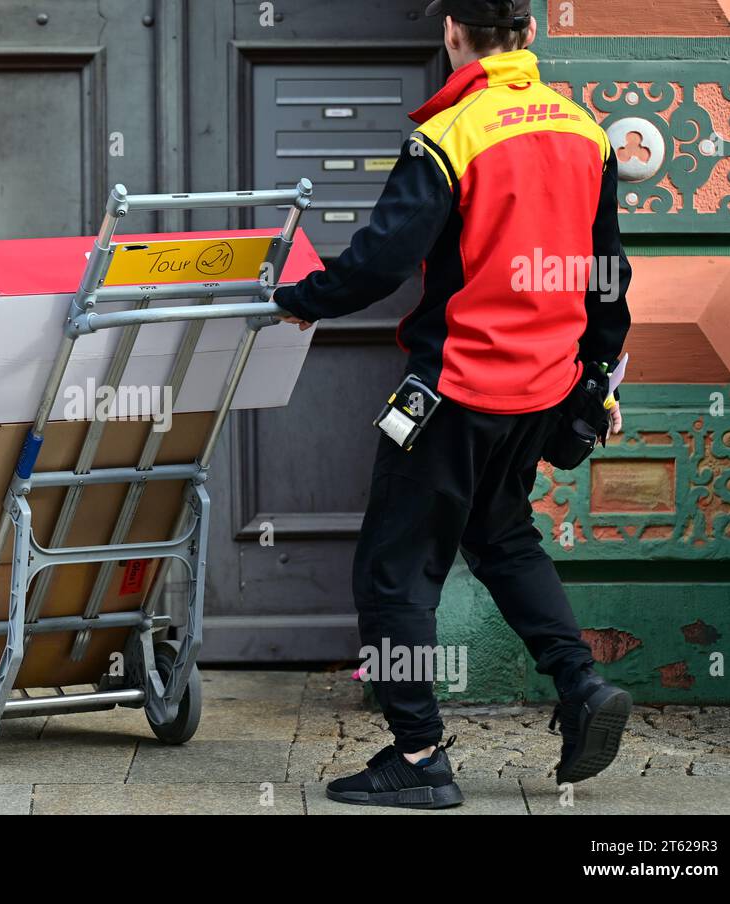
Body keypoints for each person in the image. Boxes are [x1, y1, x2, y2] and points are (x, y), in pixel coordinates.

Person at [272, 0, 634, 809]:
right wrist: (599, 373)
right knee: (502, 535)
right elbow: (609, 270)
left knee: (393, 572)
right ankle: (580, 683)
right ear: (529, 34)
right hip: (543, 388)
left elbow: (381, 262)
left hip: (456, 391)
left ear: (452, 33)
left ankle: (420, 756)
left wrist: (300, 299)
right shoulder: (586, 130)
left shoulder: (449, 136)